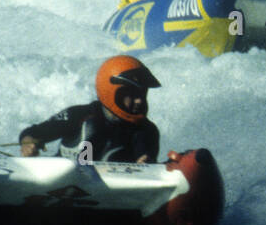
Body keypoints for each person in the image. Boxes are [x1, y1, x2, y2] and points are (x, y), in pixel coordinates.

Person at [18, 55, 164, 164]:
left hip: (111, 192)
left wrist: (145, 162)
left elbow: (144, 163)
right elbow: (31, 133)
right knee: (91, 127)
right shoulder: (79, 115)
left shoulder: (147, 130)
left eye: (142, 94)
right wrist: (28, 144)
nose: (139, 101)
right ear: (111, 91)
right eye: (131, 94)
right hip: (59, 185)